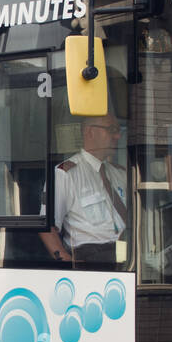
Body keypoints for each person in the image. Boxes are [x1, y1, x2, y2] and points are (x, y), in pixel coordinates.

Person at [40, 112, 128, 267]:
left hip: (129, 255)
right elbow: (47, 227)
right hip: (94, 259)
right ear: (90, 132)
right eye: (112, 130)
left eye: (119, 130)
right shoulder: (65, 173)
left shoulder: (120, 173)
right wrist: (67, 261)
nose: (118, 136)